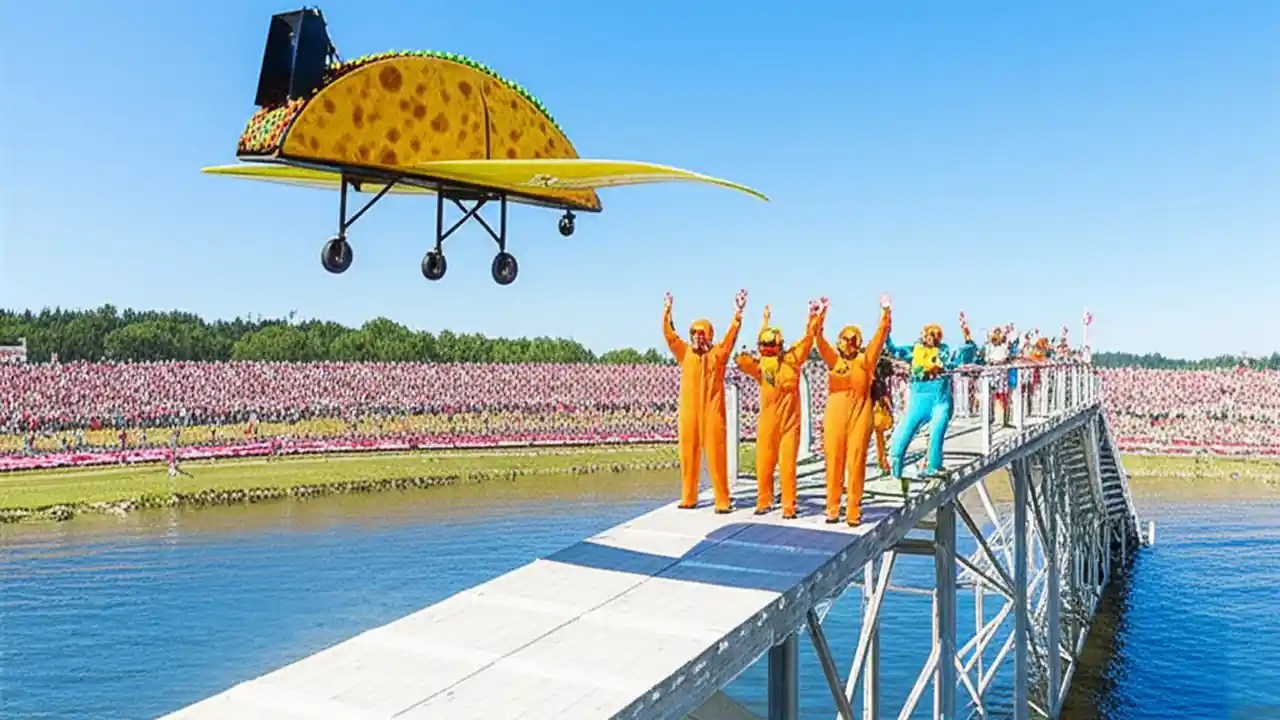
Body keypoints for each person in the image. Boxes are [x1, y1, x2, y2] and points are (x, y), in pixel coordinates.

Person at [735, 298, 825, 519]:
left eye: (771, 345)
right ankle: (763, 501)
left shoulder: (793, 360)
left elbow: (808, 339)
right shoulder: (761, 366)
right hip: (767, 424)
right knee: (764, 465)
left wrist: (815, 316)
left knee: (787, 467)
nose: (767, 349)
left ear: (780, 345)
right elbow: (742, 360)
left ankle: (788, 506)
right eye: (764, 346)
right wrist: (762, 322)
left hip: (789, 426)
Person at [663, 289, 747, 512]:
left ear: (709, 335)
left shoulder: (717, 355)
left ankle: (722, 500)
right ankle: (688, 498)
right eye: (694, 334)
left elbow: (730, 339)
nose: (698, 337)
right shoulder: (684, 353)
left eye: (702, 334)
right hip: (689, 415)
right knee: (688, 456)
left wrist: (738, 313)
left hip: (712, 414)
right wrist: (668, 311)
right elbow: (670, 336)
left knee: (717, 457)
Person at [814, 294, 891, 525]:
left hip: (860, 415)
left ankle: (853, 510)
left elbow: (880, 337)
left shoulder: (865, 361)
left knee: (856, 462)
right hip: (834, 416)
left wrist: (886, 312)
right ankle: (832, 508)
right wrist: (820, 315)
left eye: (854, 340)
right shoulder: (834, 361)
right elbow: (817, 338)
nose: (849, 343)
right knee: (833, 461)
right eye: (846, 339)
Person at [884, 314, 980, 498]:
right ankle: (895, 469)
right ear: (924, 335)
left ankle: (933, 466)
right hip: (919, 400)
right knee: (905, 432)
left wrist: (967, 336)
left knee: (937, 432)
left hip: (940, 400)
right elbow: (894, 351)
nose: (934, 337)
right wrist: (886, 330)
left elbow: (963, 356)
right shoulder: (914, 351)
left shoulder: (944, 352)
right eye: (930, 334)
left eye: (937, 334)